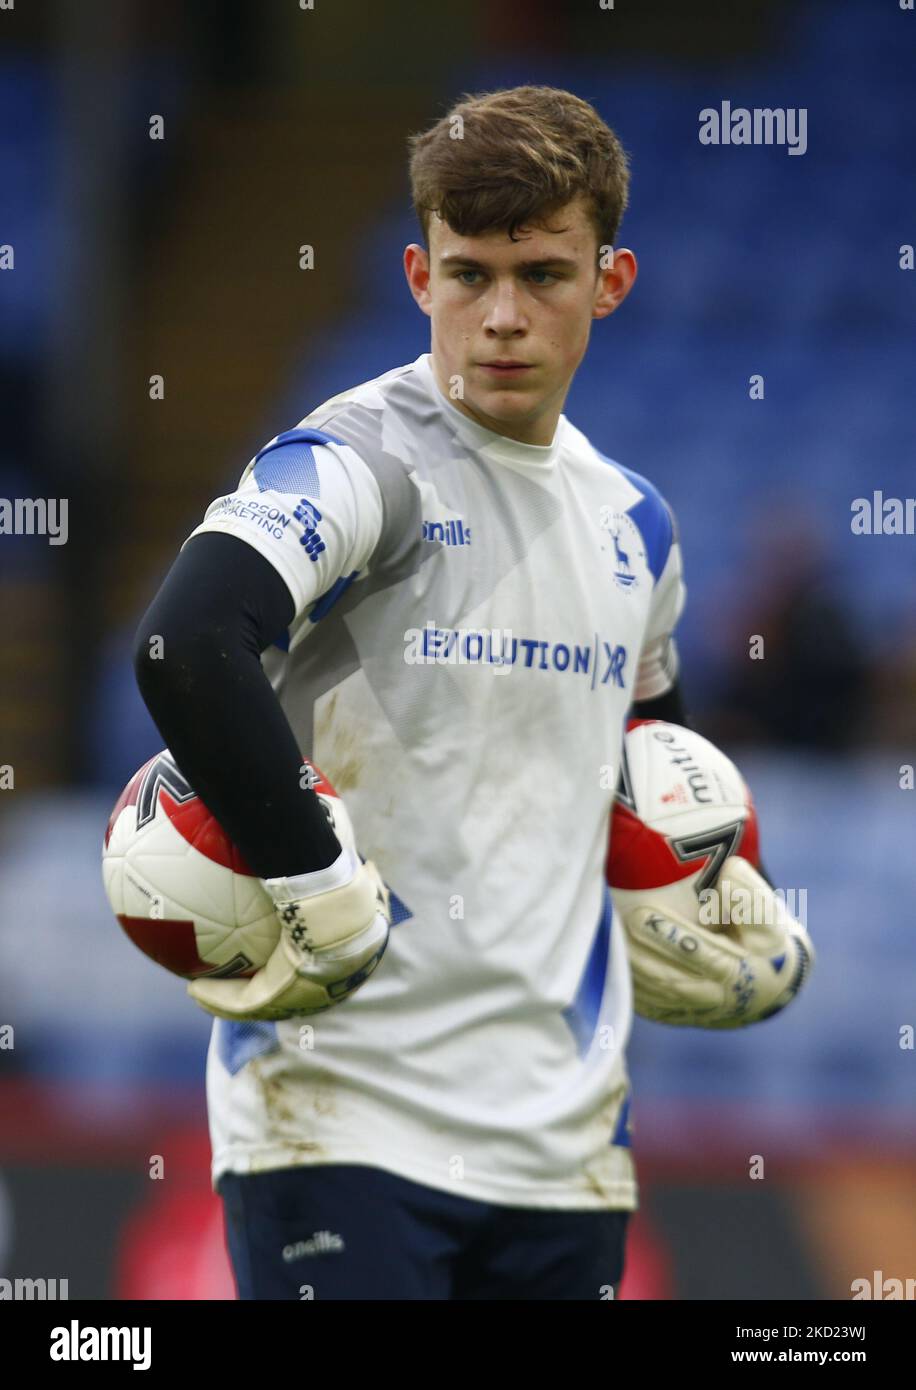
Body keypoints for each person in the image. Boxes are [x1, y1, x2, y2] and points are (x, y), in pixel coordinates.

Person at [133, 85, 759, 1300]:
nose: (504, 318)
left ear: (611, 281)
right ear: (418, 275)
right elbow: (186, 642)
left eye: (543, 273)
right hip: (340, 1121)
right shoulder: (358, 462)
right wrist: (314, 878)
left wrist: (723, 902)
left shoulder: (638, 521)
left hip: (564, 1148)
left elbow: (651, 762)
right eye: (469, 275)